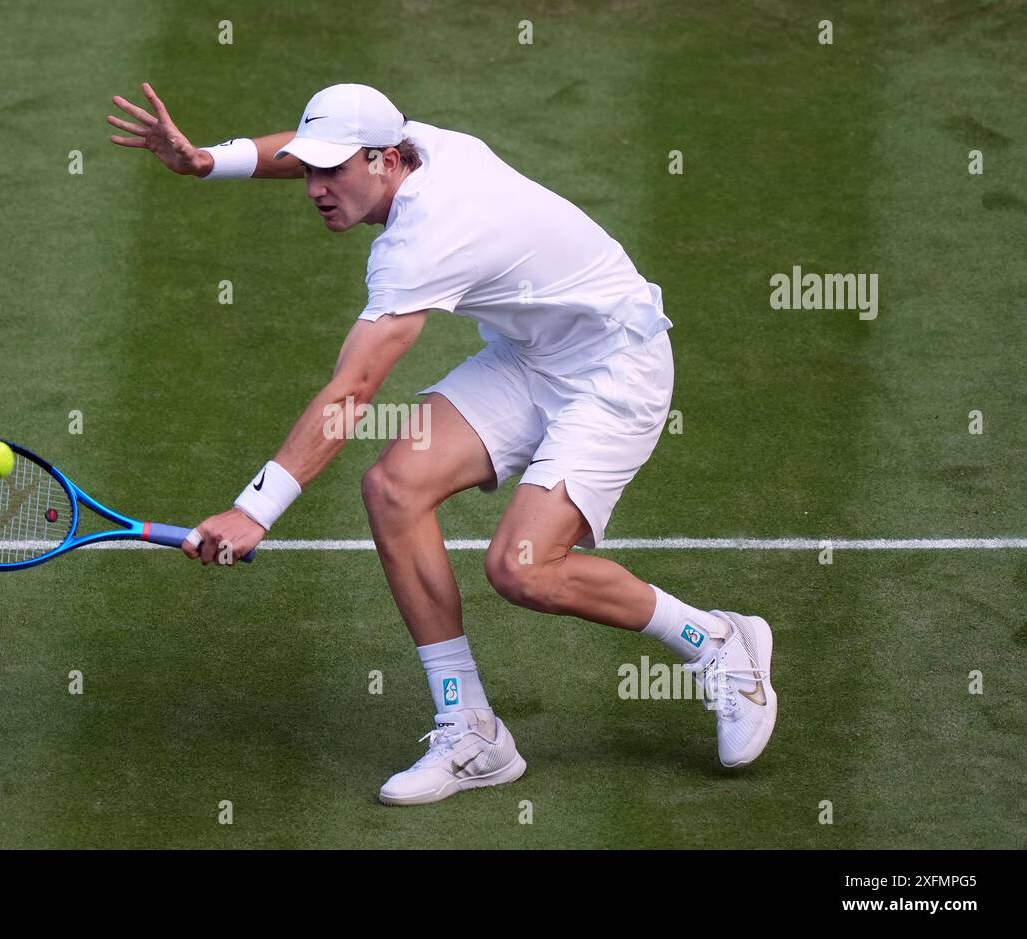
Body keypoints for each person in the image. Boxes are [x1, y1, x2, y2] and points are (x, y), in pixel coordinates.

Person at [109, 82, 777, 806]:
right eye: (309, 170)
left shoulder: (422, 241)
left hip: (617, 367)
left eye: (333, 172)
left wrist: (254, 510)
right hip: (530, 356)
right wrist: (211, 160)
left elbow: (350, 394)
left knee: (522, 568)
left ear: (387, 160)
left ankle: (716, 642)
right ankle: (472, 730)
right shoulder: (411, 143)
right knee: (393, 488)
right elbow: (297, 151)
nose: (314, 188)